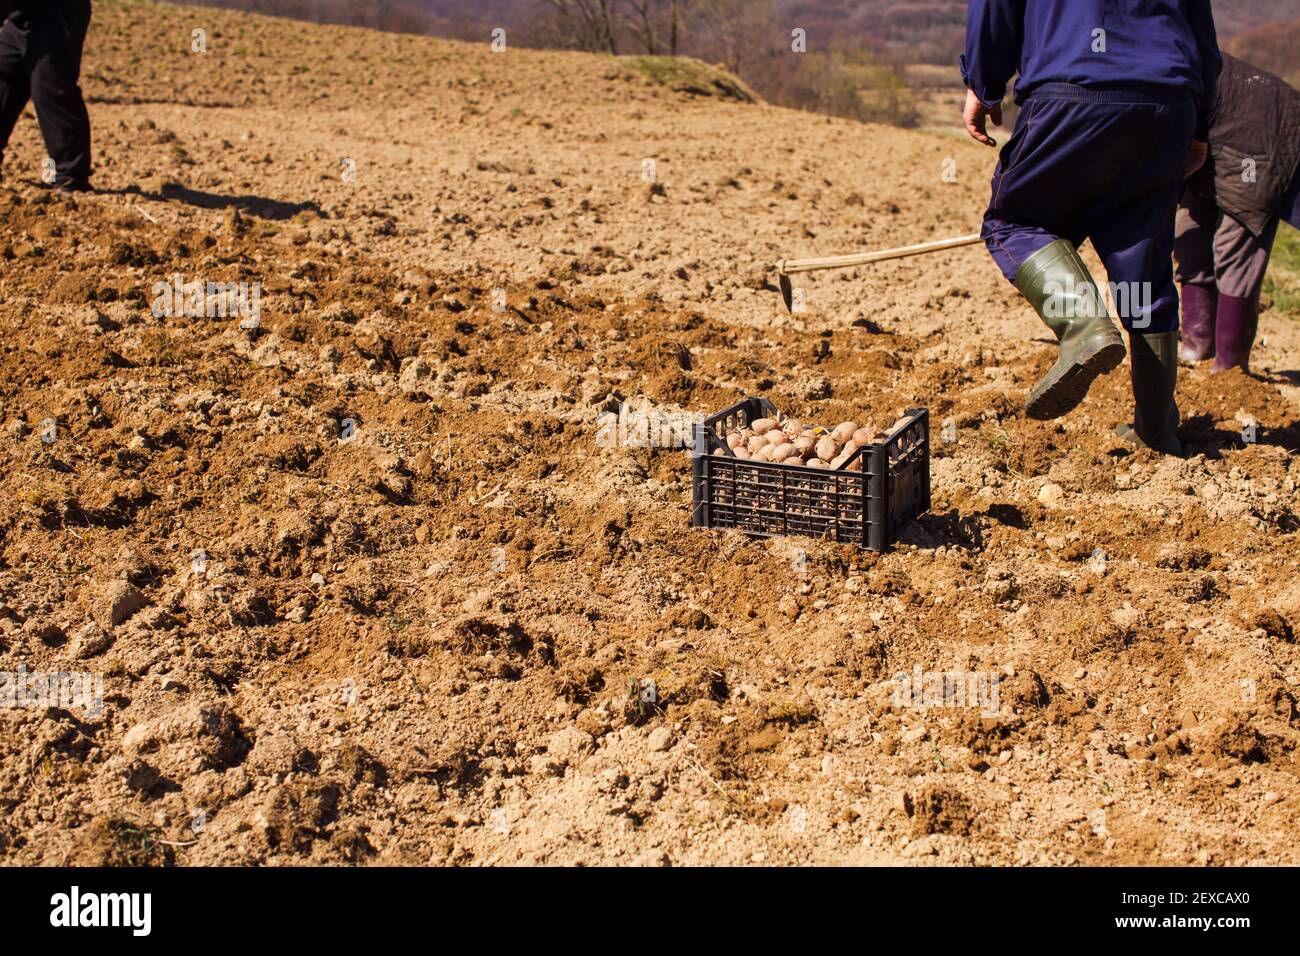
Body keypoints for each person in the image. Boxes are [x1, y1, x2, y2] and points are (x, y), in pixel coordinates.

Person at [962, 0, 1221, 454]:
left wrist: (983, 85)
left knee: (1013, 222)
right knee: (1142, 269)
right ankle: (1157, 431)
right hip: (1166, 102)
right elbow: (1202, 32)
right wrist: (1197, 124)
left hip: (1071, 89)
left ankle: (1081, 323)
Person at [1175, 53, 1300, 374]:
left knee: (1233, 249)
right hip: (1209, 141)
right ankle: (1196, 343)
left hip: (1258, 137)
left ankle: (1230, 367)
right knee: (1187, 234)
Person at [0, 0, 93, 192]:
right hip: (21, 16)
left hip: (55, 13)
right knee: (3, 76)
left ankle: (70, 177)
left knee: (50, 89)